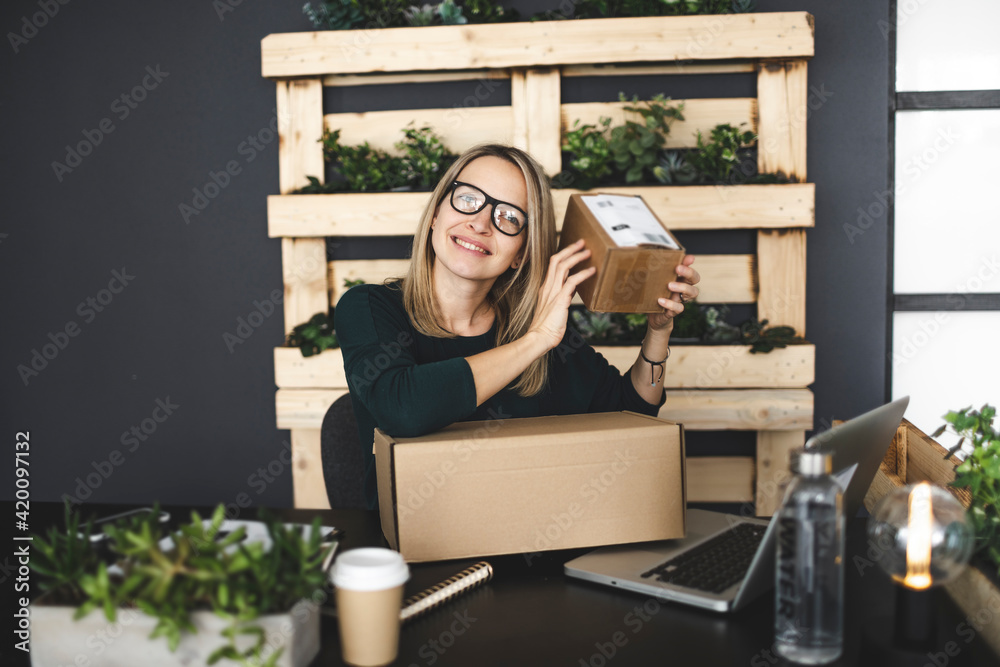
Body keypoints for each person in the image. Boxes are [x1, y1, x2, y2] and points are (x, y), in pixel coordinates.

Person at [335, 144, 701, 509]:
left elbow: (633, 412)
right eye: (467, 199)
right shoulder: (370, 308)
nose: (479, 223)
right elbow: (402, 408)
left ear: (521, 254)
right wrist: (536, 340)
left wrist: (657, 333)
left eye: (509, 217)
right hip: (411, 554)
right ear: (435, 214)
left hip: (521, 548)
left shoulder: (537, 327)